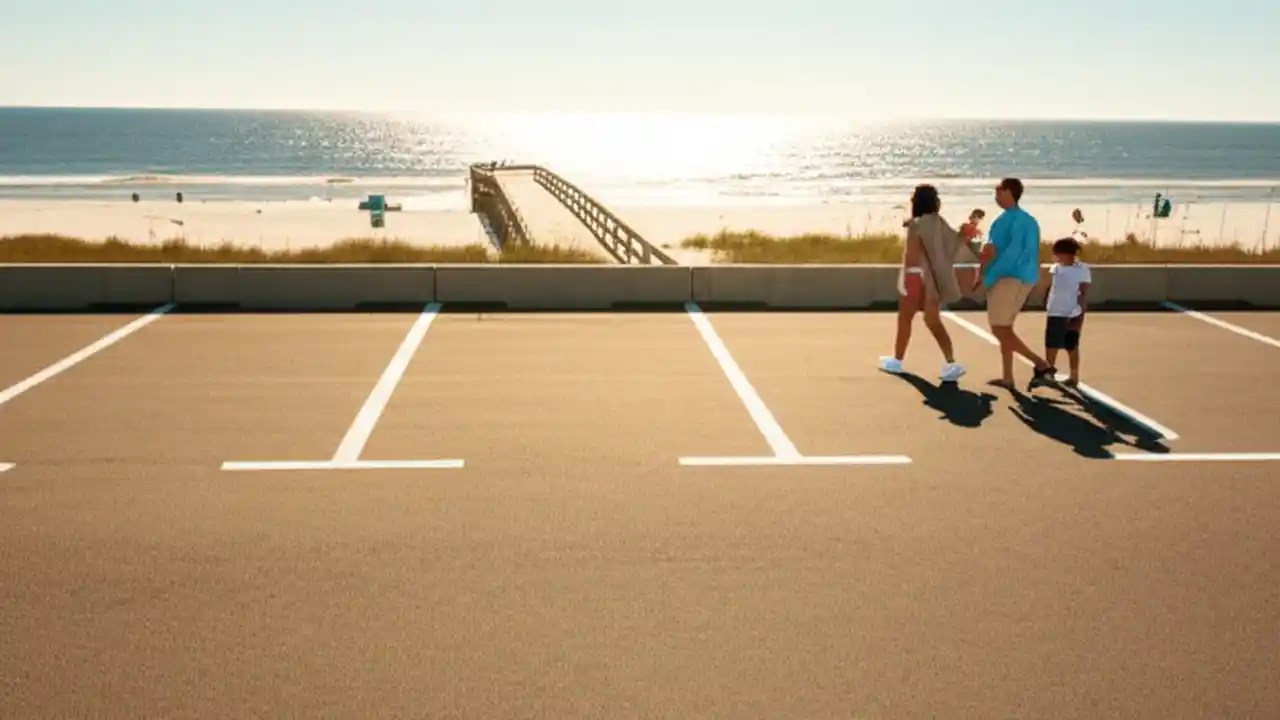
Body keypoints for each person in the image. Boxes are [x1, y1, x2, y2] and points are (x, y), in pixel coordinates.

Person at [880, 184, 974, 382]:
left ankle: (897, 360)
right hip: (931, 279)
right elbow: (952, 243)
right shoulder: (938, 222)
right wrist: (965, 232)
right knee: (933, 321)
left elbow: (912, 256)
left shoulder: (917, 224)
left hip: (915, 276)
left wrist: (904, 277)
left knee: (905, 318)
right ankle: (951, 362)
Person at [975, 177, 1056, 390]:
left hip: (1010, 278)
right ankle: (1008, 377)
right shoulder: (1007, 219)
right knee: (1005, 328)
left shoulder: (1020, 220)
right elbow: (992, 247)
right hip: (1015, 277)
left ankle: (1040, 364)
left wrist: (991, 275)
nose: (996, 196)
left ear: (1010, 192)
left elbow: (1013, 253)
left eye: (999, 191)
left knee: (1000, 329)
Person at [1044, 237, 1091, 387]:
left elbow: (1084, 290)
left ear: (1067, 253)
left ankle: (1074, 376)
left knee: (1071, 344)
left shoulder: (1082, 269)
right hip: (1055, 311)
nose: (1056, 256)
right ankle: (1048, 373)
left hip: (1072, 311)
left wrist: (1080, 308)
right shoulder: (1056, 268)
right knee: (1051, 344)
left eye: (1058, 253)